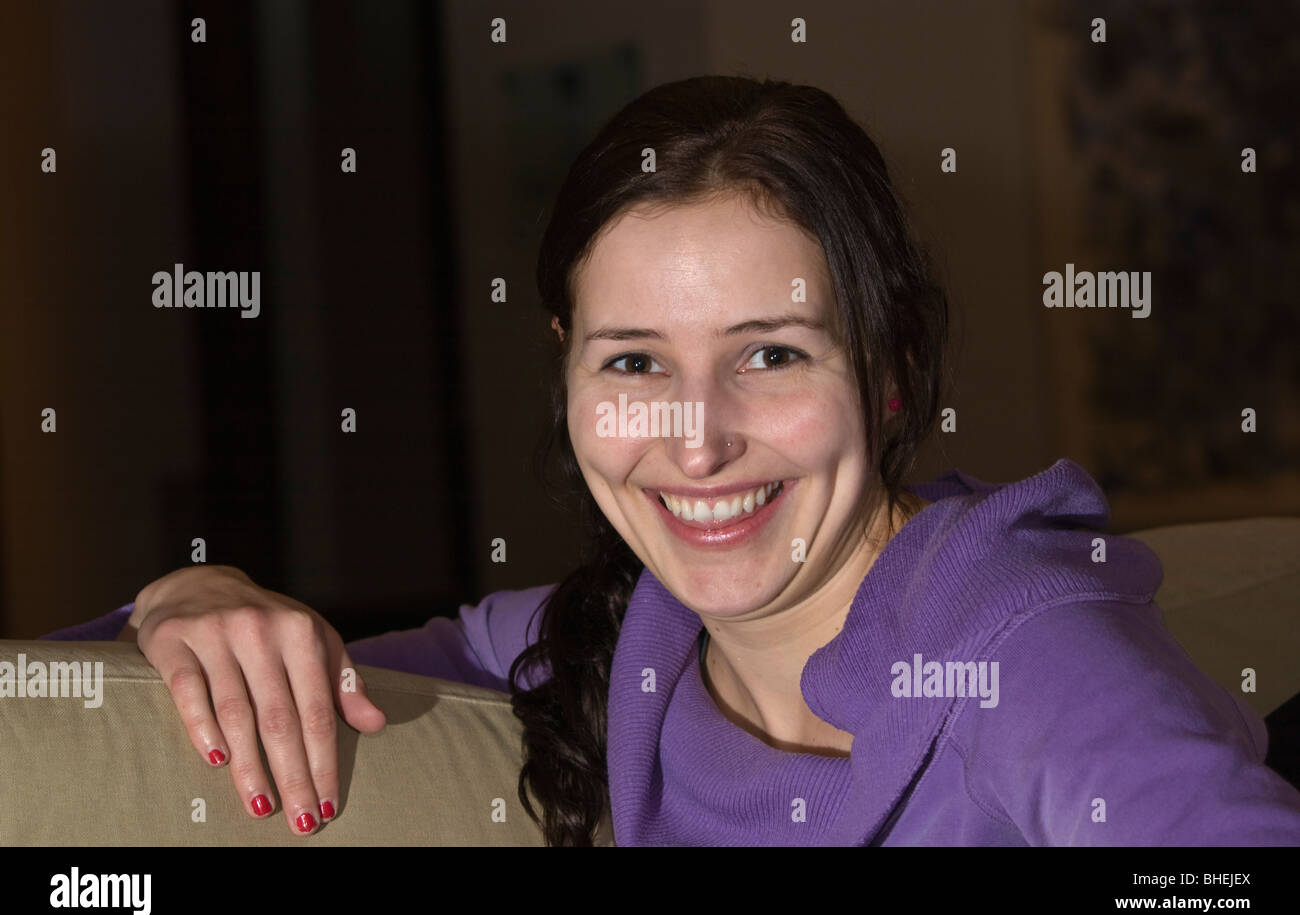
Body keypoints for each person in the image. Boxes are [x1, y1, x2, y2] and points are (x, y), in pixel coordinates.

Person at [44, 75, 1300, 846]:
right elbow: (98, 712)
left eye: (770, 355)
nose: (694, 441)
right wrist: (187, 596)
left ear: (889, 371)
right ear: (568, 373)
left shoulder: (1009, 638)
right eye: (634, 363)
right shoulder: (611, 635)